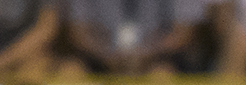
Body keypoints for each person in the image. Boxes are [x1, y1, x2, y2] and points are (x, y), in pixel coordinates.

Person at [54, 0, 205, 76]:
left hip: (158, 59)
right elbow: (78, 33)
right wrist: (108, 56)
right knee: (69, 72)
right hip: (99, 59)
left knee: (161, 76)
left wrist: (145, 54)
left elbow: (182, 34)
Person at [0, 0, 58, 77]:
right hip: (9, 54)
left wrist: (5, 60)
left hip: (21, 53)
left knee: (34, 68)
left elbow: (46, 28)